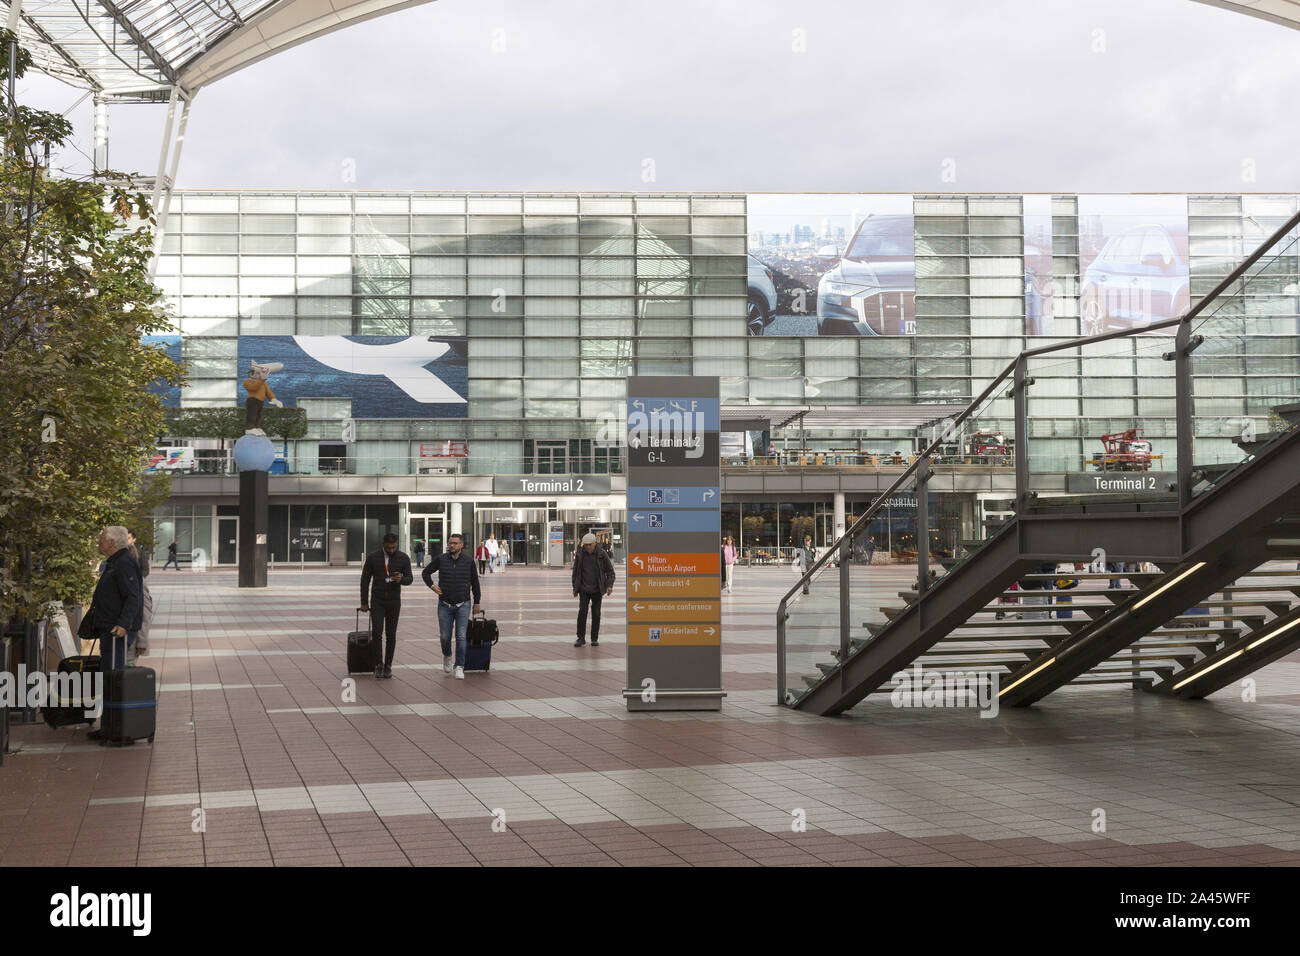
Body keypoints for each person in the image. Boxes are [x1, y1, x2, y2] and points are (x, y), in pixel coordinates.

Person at [86, 526, 143, 741]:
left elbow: (133, 596)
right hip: (109, 628)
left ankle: (117, 728)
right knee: (108, 677)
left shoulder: (124, 562)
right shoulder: (115, 562)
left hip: (116, 631)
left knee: (112, 677)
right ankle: (110, 726)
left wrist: (123, 624)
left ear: (112, 542)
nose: (99, 542)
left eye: (102, 539)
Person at [422, 533, 482, 679]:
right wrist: (432, 586)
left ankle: (460, 666)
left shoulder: (469, 561)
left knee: (461, 636)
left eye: (455, 543)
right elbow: (426, 573)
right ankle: (447, 656)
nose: (452, 545)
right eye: (450, 543)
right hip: (445, 604)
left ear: (461, 545)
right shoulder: (441, 559)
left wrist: (477, 602)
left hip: (463, 604)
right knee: (445, 636)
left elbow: (475, 583)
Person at [359, 533, 412, 679]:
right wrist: (364, 601)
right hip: (377, 600)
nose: (391, 550)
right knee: (377, 632)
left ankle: (388, 665)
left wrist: (401, 579)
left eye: (394, 547)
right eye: (388, 548)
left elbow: (410, 579)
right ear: (383, 545)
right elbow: (365, 580)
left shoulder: (403, 558)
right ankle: (378, 664)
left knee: (391, 634)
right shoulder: (373, 557)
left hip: (394, 601)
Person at [572, 532, 615, 647]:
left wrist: (609, 585)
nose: (588, 547)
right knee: (582, 612)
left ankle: (594, 638)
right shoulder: (580, 554)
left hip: (597, 589)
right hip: (584, 589)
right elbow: (575, 572)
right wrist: (575, 588)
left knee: (596, 614)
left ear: (595, 543)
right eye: (586, 545)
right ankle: (580, 638)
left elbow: (610, 572)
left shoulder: (602, 554)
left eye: (590, 545)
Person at [126, 531, 152, 661]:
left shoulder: (137, 583)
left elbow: (144, 613)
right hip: (113, 638)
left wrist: (142, 641)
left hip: (129, 637)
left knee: (127, 665)